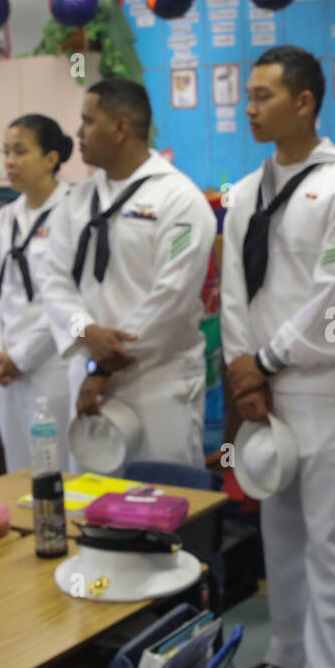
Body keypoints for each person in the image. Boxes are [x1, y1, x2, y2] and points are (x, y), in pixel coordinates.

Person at [221, 46, 335, 668]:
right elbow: (232, 289)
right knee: (278, 532)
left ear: (306, 102)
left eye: (262, 96)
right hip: (262, 389)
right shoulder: (245, 190)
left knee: (332, 540)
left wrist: (268, 360)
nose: (248, 108)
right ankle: (288, 652)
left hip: (320, 387)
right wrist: (240, 368)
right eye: (247, 96)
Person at [42, 78, 216, 468]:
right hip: (88, 378)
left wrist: (104, 365)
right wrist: (86, 332)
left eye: (88, 121)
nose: (78, 132)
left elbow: (170, 298)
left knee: (163, 506)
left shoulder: (178, 199)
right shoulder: (78, 200)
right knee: (94, 506)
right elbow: (54, 282)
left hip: (156, 381)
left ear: (121, 128)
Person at [0, 115, 74, 472]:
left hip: (51, 364)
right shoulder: (6, 217)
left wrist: (22, 356)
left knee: (56, 468)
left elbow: (68, 300)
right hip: (4, 367)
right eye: (6, 152)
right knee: (17, 471)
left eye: (21, 151)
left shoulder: (73, 212)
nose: (10, 162)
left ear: (50, 158)